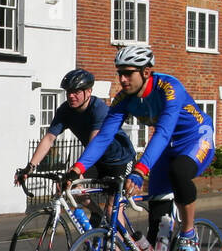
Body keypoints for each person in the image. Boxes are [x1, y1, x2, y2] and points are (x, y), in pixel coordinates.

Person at [66, 44, 215, 251]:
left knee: (179, 172)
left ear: (146, 72)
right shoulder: (124, 99)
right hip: (165, 148)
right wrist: (77, 169)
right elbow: (105, 136)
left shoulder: (169, 88)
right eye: (120, 73)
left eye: (128, 73)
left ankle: (188, 234)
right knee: (158, 224)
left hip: (194, 139)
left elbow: (164, 132)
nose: (123, 79)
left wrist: (140, 170)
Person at [15, 68, 136, 226]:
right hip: (97, 161)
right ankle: (97, 214)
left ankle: (118, 247)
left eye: (76, 91)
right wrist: (30, 167)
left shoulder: (99, 109)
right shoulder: (65, 111)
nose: (71, 96)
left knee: (113, 209)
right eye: (68, 92)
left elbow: (94, 144)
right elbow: (49, 138)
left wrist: (74, 171)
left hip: (120, 160)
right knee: (73, 188)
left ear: (89, 91)